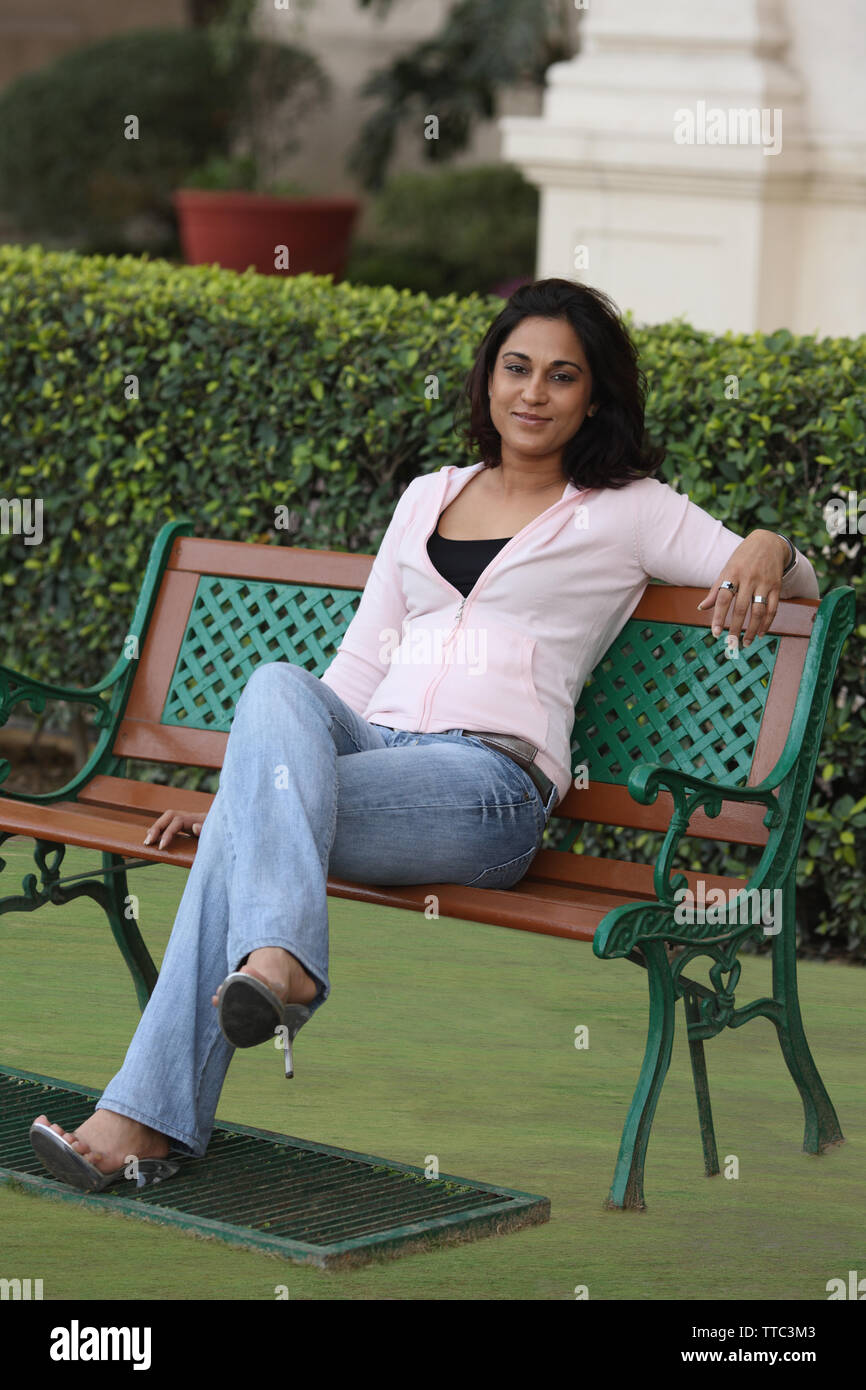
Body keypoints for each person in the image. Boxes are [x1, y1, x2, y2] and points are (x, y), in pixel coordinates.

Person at [30, 278, 818, 1191]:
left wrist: (771, 543)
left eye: (561, 377)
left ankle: (147, 1112)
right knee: (277, 682)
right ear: (487, 381)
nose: (533, 392)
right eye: (516, 368)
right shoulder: (429, 494)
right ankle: (254, 994)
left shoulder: (629, 508)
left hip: (488, 786)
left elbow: (795, 587)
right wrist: (249, 790)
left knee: (254, 824)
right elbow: (358, 666)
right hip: (371, 753)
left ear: (592, 396)